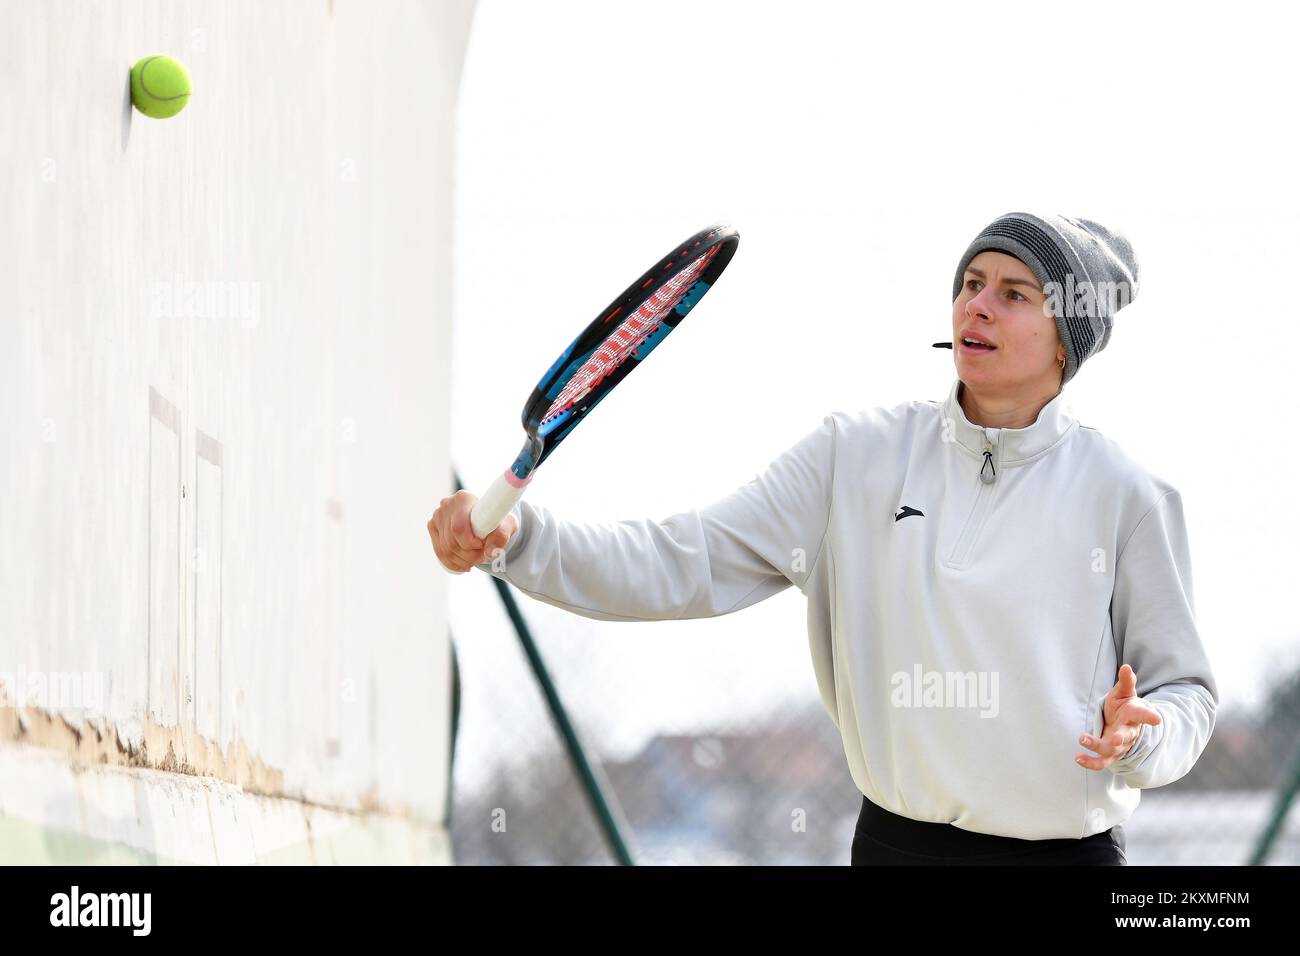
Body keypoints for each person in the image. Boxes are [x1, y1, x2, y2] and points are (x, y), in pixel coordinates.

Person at [428, 211, 1218, 866]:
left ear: (1064, 343)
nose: (977, 305)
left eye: (1014, 294)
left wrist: (1140, 740)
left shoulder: (1128, 497)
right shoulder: (855, 457)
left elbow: (1185, 696)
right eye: (971, 284)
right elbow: (687, 562)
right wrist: (517, 540)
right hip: (892, 849)